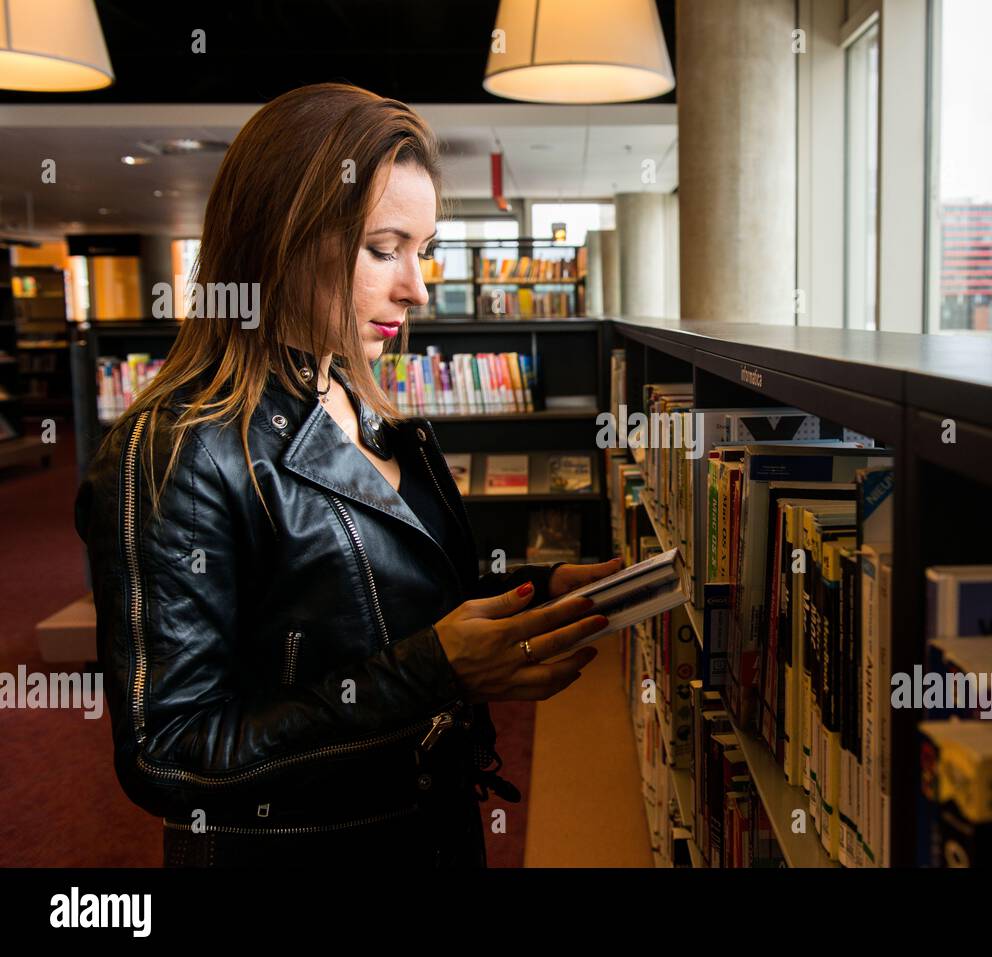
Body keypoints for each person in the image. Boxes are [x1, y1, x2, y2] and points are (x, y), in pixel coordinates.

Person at [74, 82, 620, 867]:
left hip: (427, 825)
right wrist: (432, 672)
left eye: (422, 251)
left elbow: (369, 604)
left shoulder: (359, 402)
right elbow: (170, 753)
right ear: (282, 236)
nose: (417, 287)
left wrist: (537, 590)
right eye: (382, 248)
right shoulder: (173, 451)